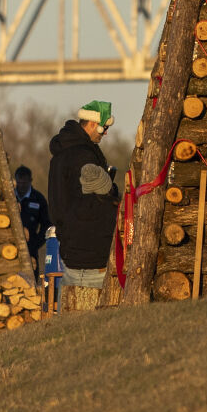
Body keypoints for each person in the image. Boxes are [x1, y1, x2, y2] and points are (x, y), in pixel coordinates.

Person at [46, 100, 121, 302]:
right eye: (104, 128)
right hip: (90, 251)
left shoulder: (61, 153)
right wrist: (112, 193)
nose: (105, 133)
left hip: (70, 245)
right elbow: (95, 200)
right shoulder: (84, 155)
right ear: (91, 124)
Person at [12, 166, 50, 279]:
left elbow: (47, 224)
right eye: (19, 182)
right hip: (11, 248)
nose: (22, 186)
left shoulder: (38, 199)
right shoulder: (9, 197)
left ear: (30, 181)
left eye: (25, 182)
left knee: (31, 279)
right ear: (15, 181)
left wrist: (36, 243)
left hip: (31, 250)